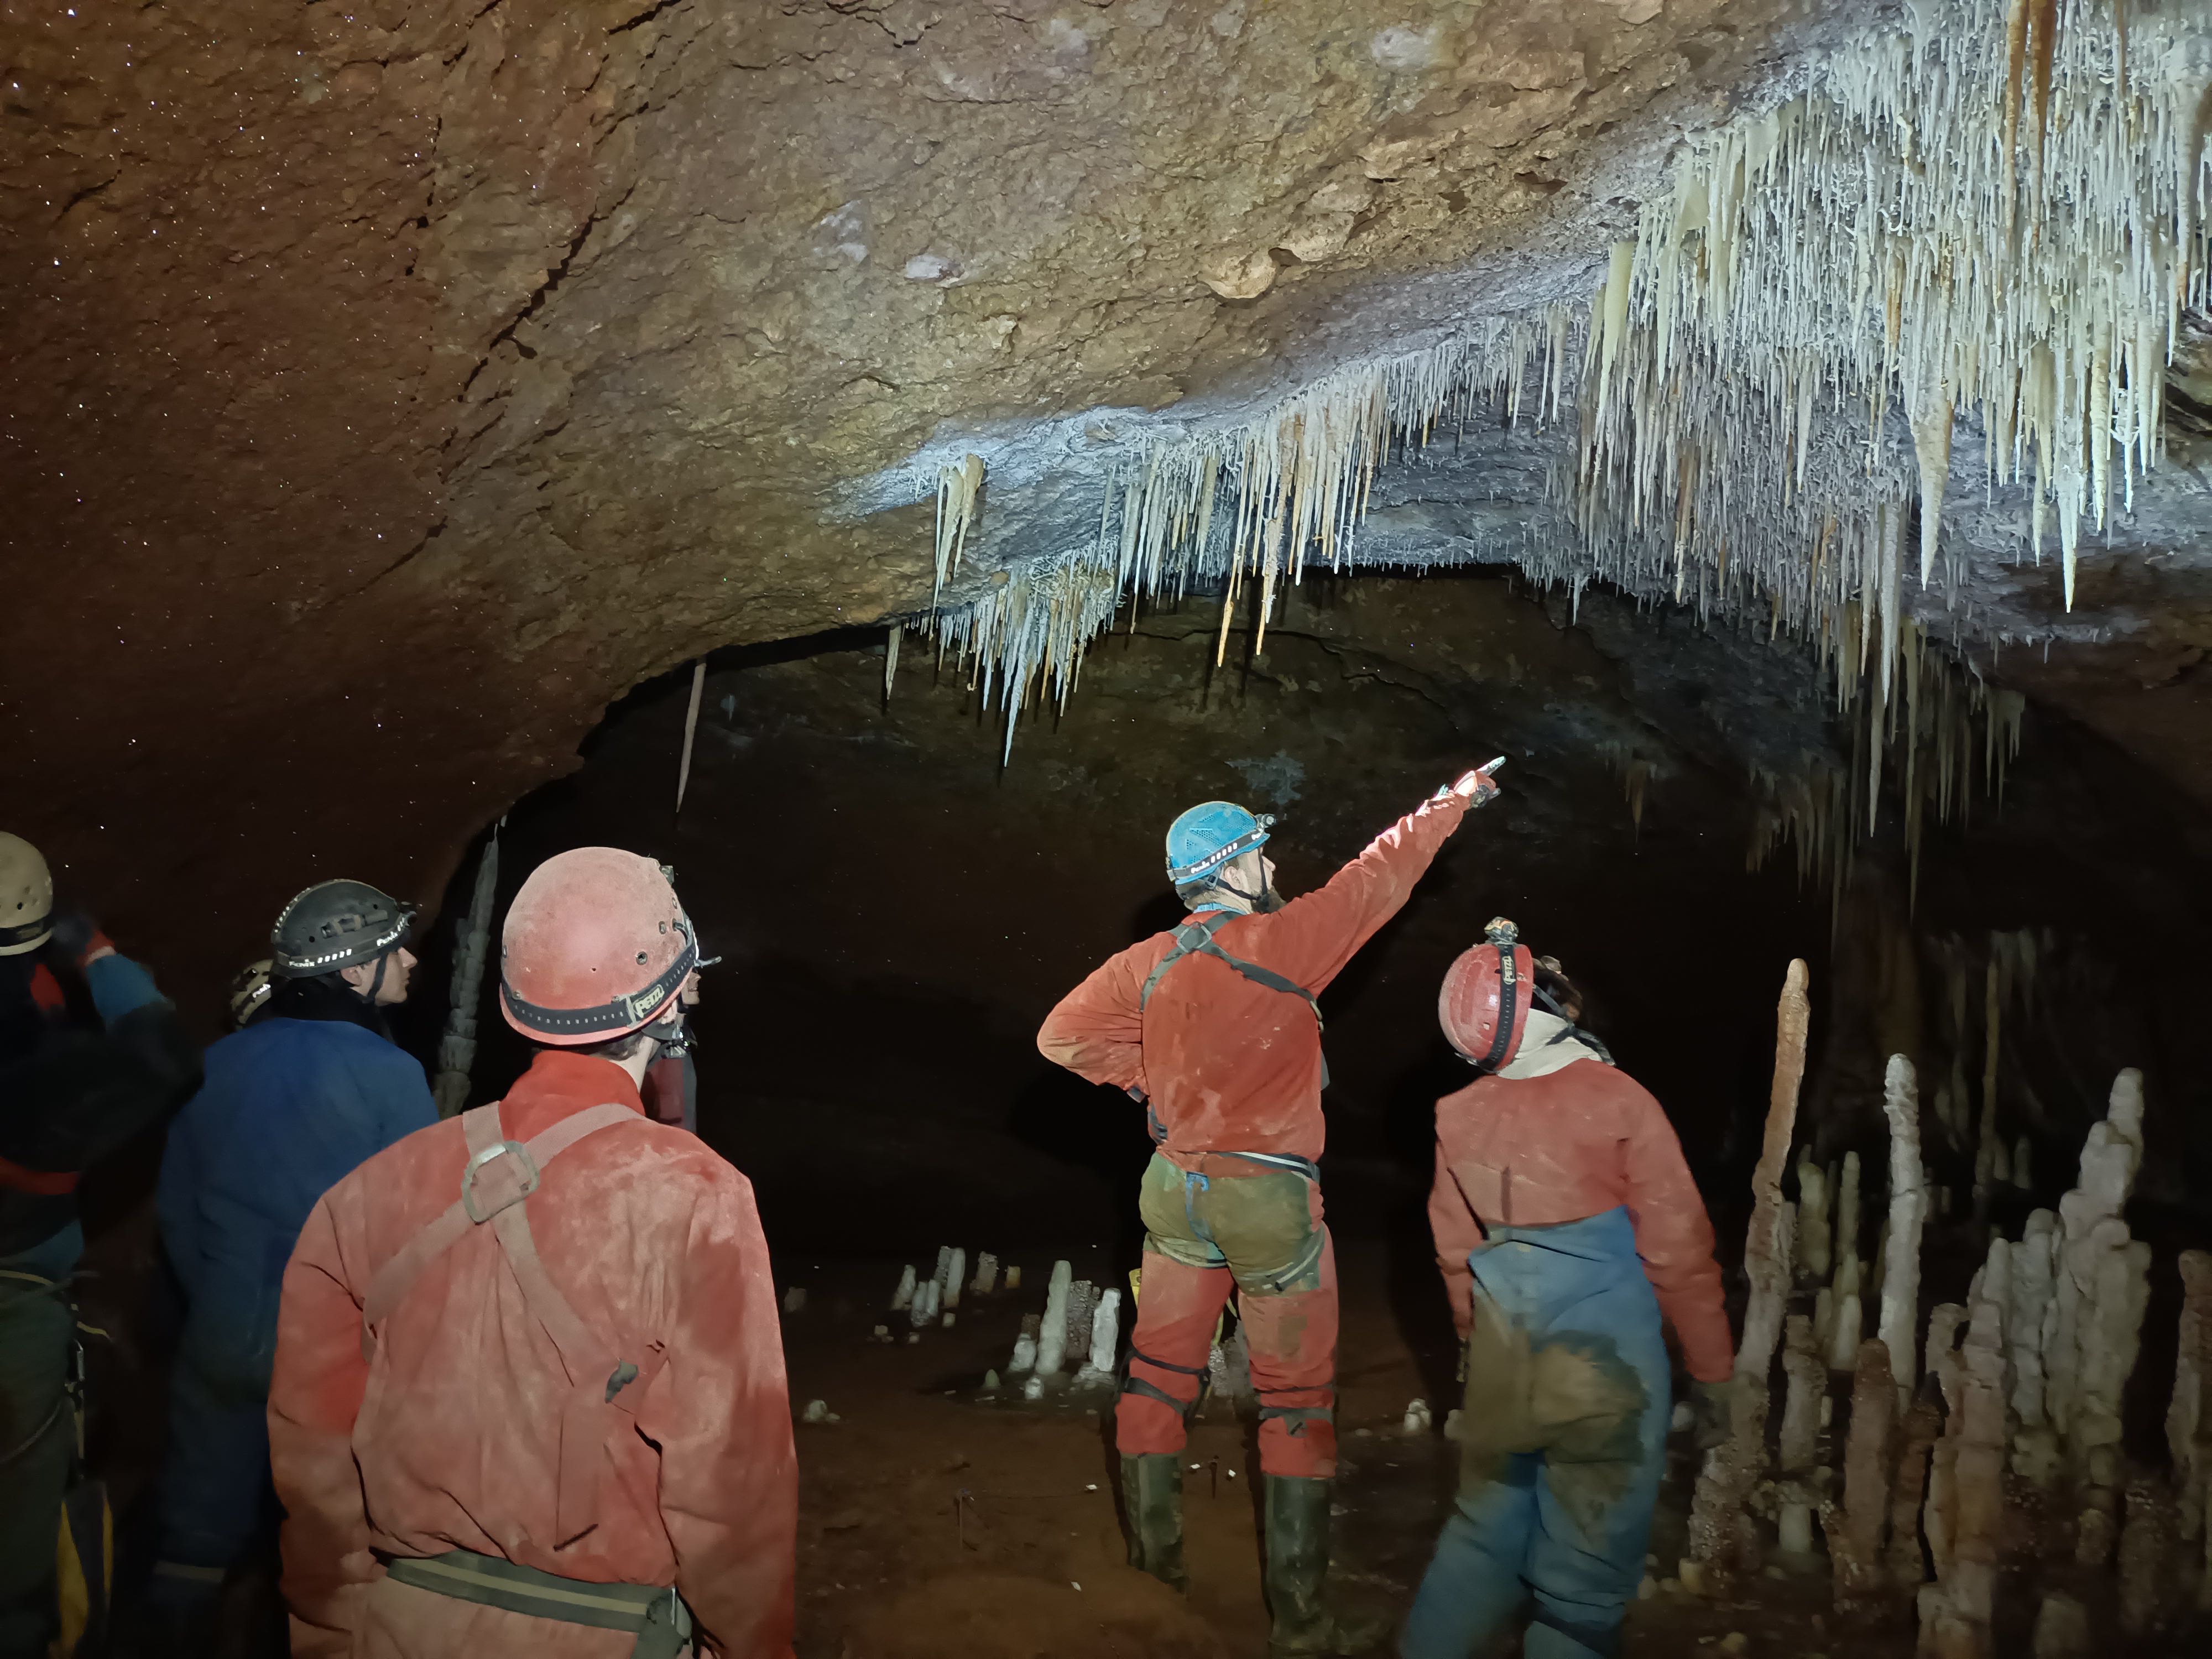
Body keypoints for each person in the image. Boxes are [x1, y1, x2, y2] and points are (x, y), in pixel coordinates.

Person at [267, 847, 796, 1658]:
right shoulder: (697, 1198)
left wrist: (336, 1627)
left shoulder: (370, 1192)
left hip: (399, 1625)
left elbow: (311, 1446)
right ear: (670, 998)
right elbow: (732, 1484)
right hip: (602, 1636)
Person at [1038, 767, 1501, 1656]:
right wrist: (1456, 800)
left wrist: (1148, 1082)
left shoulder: (1151, 961)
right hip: (1267, 1197)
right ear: (1241, 866)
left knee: (1157, 1380)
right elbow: (1382, 875)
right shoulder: (1282, 941)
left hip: (1174, 1192)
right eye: (1263, 851)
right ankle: (1301, 1621)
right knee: (1294, 1402)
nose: (1274, 862)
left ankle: (1157, 1583)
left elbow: (1059, 1036)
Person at [1401, 920, 1737, 1659]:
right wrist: (1714, 1371)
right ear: (1532, 1008)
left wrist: (1471, 1346)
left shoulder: (1456, 1117)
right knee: (1584, 1577)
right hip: (1603, 1374)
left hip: (1502, 1366)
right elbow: (1680, 1250)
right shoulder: (1619, 1100)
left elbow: (1456, 1250)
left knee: (1481, 1537)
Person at [149, 883, 437, 1643]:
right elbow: (417, 1231)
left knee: (194, 1536)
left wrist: (218, 1297)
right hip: (331, 1347)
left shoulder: (213, 1064)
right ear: (350, 973)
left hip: (224, 1323)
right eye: (391, 951)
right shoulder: (392, 1076)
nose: (409, 960)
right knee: (325, 1541)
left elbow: (177, 1212)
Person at [0, 832, 200, 1659]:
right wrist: (98, 953)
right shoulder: (36, 1068)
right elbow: (164, 1058)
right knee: (18, 1537)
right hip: (11, 1307)